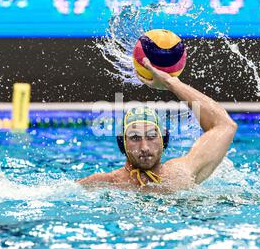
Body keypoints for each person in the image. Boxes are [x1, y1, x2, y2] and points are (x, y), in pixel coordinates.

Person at [77, 58, 237, 192]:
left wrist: (172, 83)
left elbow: (225, 125)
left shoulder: (183, 173)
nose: (144, 147)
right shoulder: (103, 184)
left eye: (152, 136)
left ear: (163, 140)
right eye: (135, 137)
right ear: (122, 143)